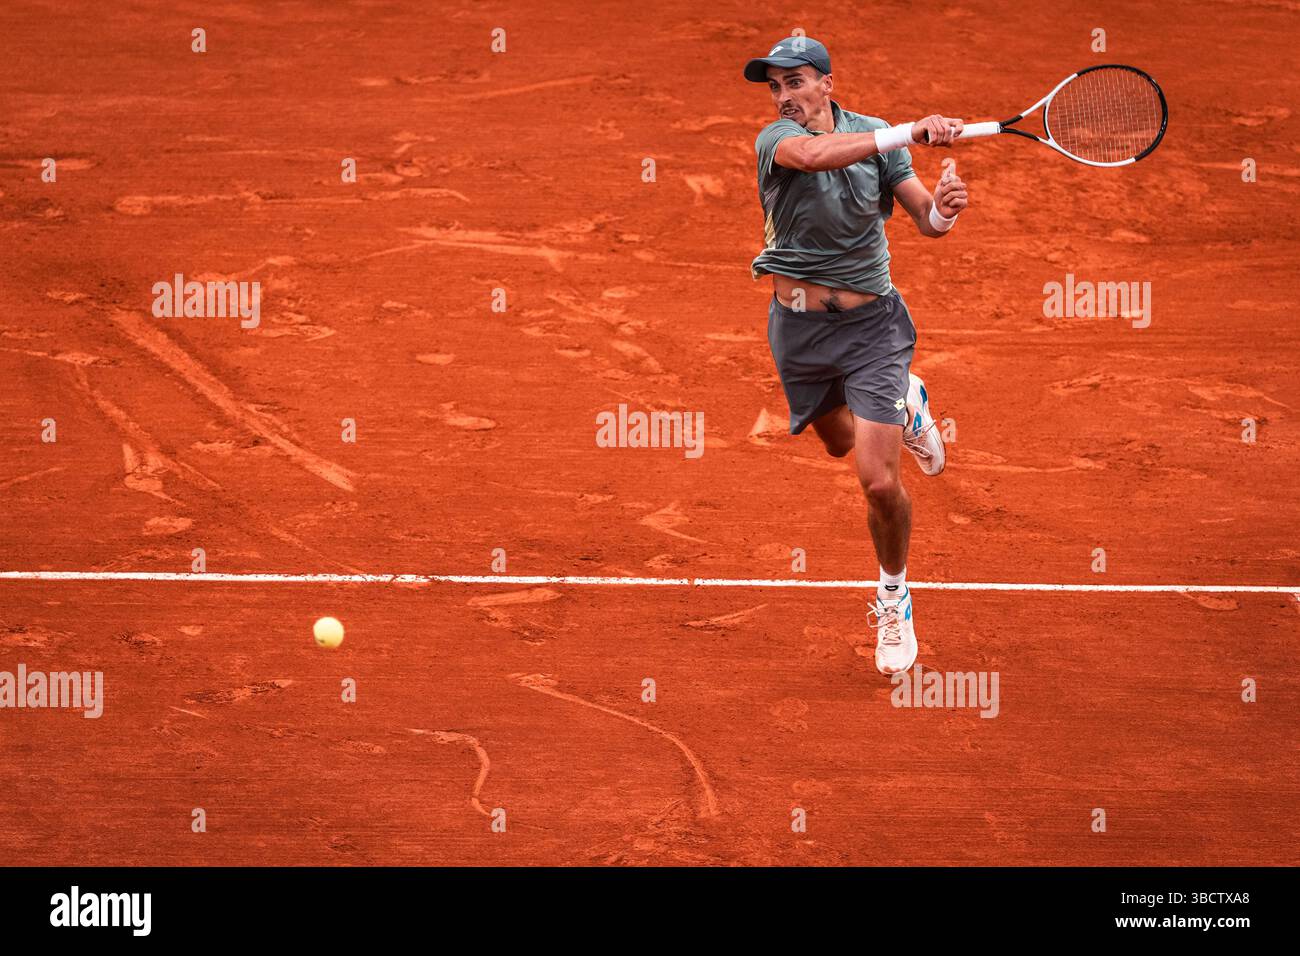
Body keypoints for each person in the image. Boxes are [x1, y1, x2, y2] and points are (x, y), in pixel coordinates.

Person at [744, 36, 970, 675]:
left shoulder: (877, 137)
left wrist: (945, 212)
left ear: (827, 85)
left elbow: (924, 219)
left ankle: (893, 594)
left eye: (796, 83)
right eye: (776, 87)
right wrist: (908, 131)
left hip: (873, 327)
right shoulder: (777, 142)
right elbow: (815, 156)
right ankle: (910, 403)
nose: (785, 97)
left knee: (875, 478)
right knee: (838, 443)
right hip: (798, 331)